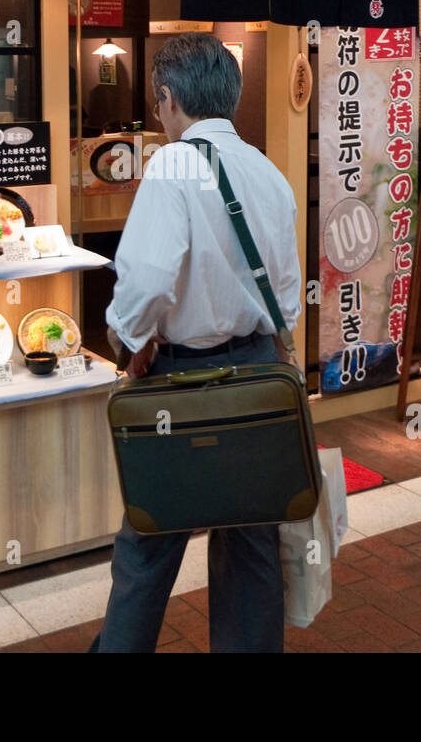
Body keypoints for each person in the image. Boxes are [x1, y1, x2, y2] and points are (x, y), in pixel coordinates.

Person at [92, 32, 302, 653]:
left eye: (158, 104)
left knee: (148, 543)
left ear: (166, 98)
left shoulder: (173, 163)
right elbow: (285, 294)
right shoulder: (267, 170)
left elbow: (149, 277)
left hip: (181, 385)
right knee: (251, 544)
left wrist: (127, 337)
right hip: (259, 375)